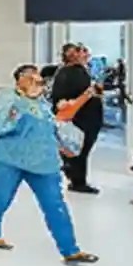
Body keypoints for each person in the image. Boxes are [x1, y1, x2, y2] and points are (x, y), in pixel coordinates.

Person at [0, 64, 99, 264]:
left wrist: (64, 144)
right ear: (19, 83)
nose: (37, 84)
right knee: (1, 197)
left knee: (55, 204)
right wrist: (16, 110)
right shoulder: (11, 101)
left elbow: (52, 126)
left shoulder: (44, 104)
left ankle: (70, 250)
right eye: (31, 80)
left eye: (39, 81)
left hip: (43, 164)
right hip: (8, 160)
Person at [50, 43, 102, 194]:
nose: (86, 55)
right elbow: (63, 99)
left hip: (83, 118)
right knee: (80, 149)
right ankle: (78, 181)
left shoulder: (73, 72)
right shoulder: (72, 73)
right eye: (83, 52)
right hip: (81, 119)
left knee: (78, 149)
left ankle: (74, 175)